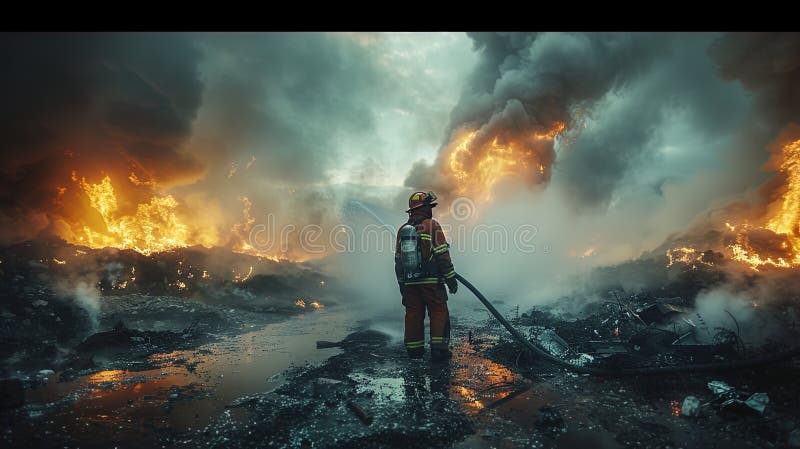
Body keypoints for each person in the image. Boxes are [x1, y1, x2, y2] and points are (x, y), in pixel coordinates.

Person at [395, 191, 458, 361]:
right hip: (431, 282)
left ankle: (414, 352)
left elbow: (398, 261)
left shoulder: (403, 230)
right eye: (430, 206)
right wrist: (451, 279)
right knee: (438, 311)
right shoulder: (432, 225)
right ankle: (439, 351)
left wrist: (402, 285)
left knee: (413, 314)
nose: (431, 209)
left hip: (409, 283)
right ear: (425, 208)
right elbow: (442, 254)